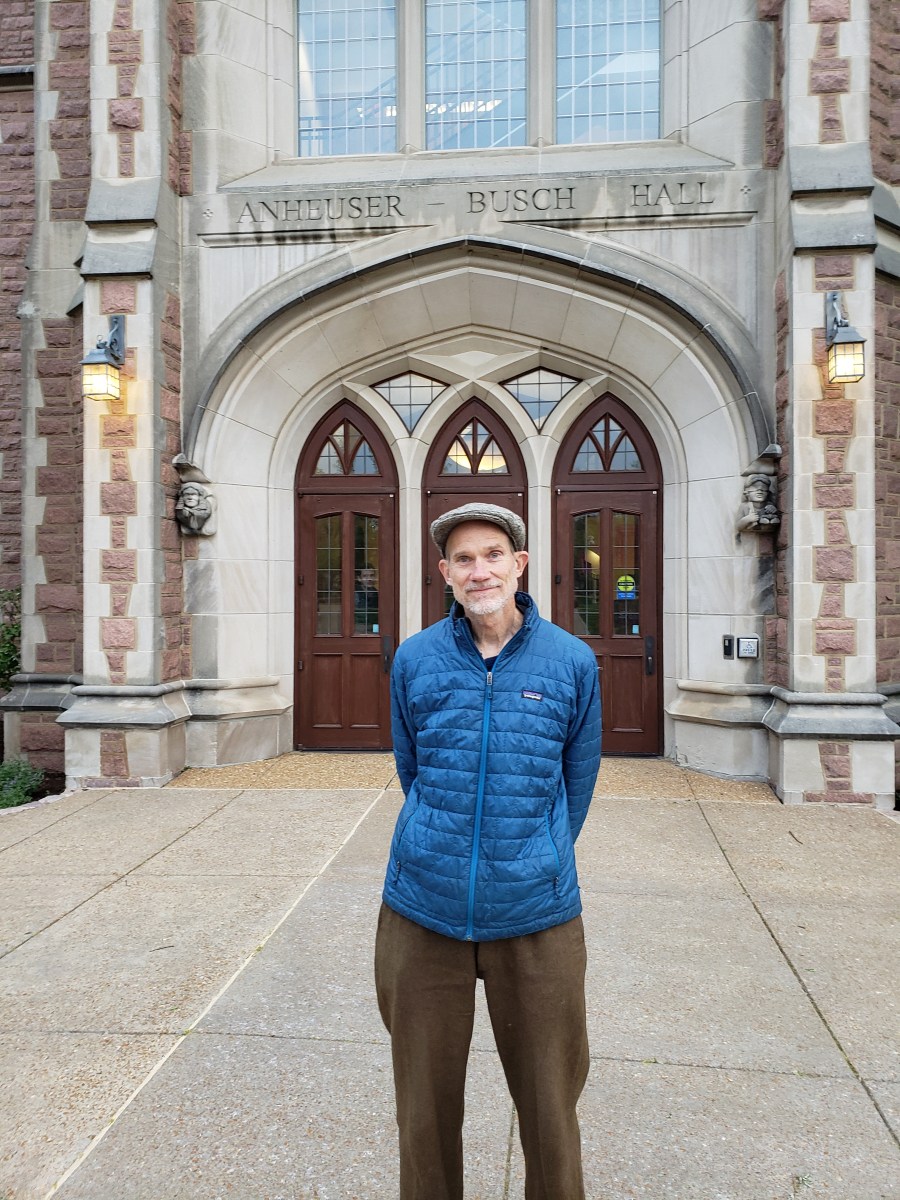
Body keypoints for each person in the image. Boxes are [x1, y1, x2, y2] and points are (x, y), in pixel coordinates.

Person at [375, 502, 602, 1200]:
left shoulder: (571, 661)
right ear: (445, 573)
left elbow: (576, 782)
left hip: (536, 916)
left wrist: (535, 856)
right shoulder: (415, 659)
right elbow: (413, 769)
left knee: (550, 1109)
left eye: (494, 555)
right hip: (423, 909)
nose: (481, 571)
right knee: (423, 1112)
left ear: (520, 565)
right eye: (464, 559)